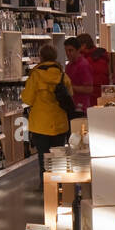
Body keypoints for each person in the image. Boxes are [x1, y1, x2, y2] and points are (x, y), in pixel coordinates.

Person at [21, 44, 72, 178]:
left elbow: (27, 99)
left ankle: (45, 186)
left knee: (43, 157)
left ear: (41, 57)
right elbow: (70, 94)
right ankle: (59, 183)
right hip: (59, 123)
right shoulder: (62, 75)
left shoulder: (36, 75)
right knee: (58, 156)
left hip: (40, 124)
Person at [63, 38, 94, 114]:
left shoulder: (83, 65)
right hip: (72, 105)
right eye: (66, 51)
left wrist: (69, 87)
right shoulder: (69, 65)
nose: (68, 53)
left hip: (81, 107)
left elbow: (89, 89)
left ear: (78, 50)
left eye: (70, 50)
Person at [77, 33, 110, 103]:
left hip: (92, 95)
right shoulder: (101, 56)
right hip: (103, 93)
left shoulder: (87, 60)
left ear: (83, 45)